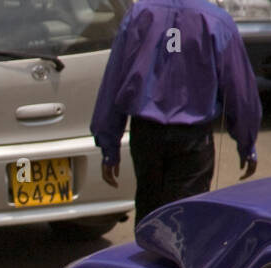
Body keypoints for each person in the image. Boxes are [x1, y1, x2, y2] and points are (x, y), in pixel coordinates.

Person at [90, 0, 262, 223]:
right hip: (192, 140)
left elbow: (114, 80)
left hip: (147, 137)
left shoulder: (140, 14)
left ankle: (151, 255)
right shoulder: (216, 20)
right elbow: (239, 89)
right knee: (186, 223)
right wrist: (246, 142)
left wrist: (108, 146)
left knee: (149, 218)